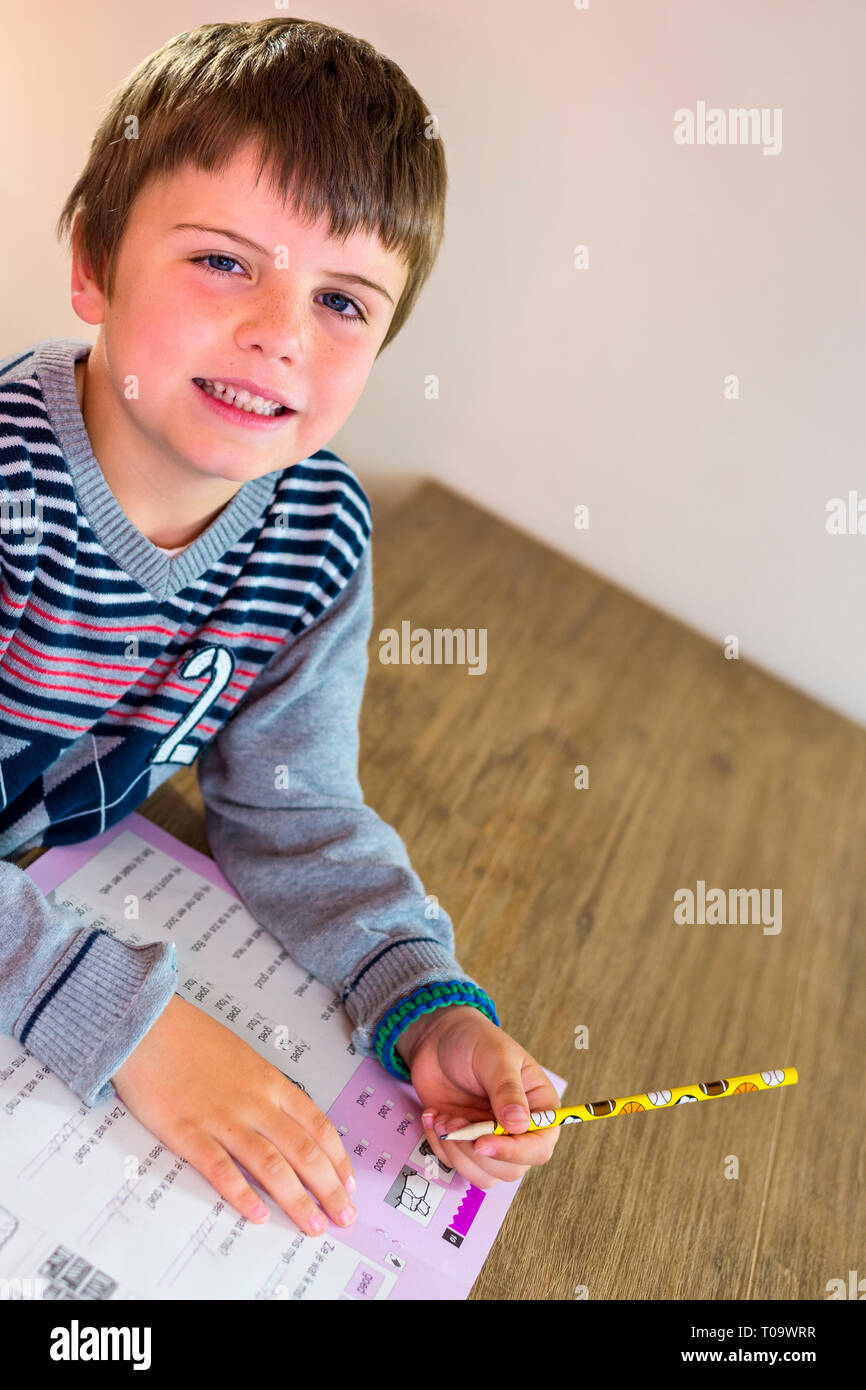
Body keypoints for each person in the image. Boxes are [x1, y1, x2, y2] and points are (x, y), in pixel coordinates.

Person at [0, 17, 560, 1240]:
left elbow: (293, 807)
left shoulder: (313, 533)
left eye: (344, 300)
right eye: (222, 262)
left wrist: (417, 994)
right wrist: (119, 1016)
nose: (282, 333)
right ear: (94, 261)